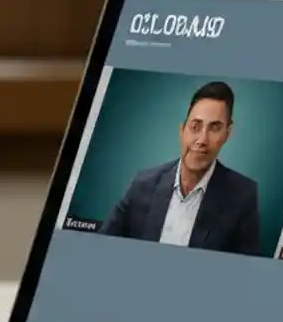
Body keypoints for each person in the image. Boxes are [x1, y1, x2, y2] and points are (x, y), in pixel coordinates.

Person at [99, 81, 261, 255]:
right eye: (195, 127)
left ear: (227, 135)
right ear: (182, 130)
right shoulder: (142, 184)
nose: (202, 140)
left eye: (214, 128)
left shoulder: (243, 196)